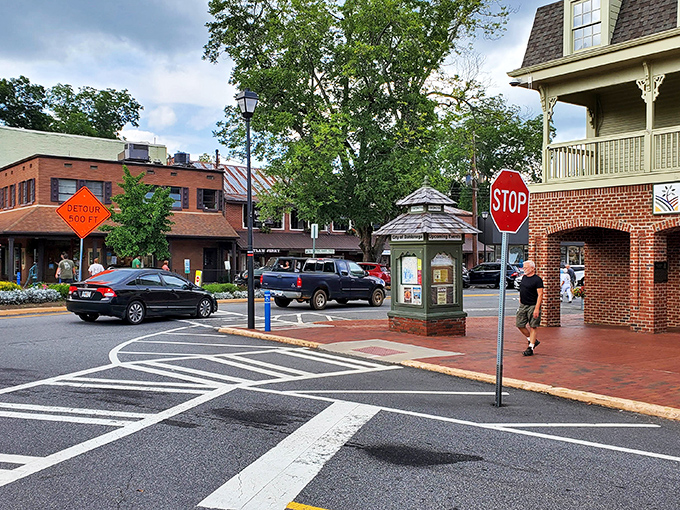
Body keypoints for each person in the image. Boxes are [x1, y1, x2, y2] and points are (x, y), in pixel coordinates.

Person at [516, 260, 544, 356]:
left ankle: (530, 347)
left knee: (533, 325)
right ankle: (532, 339)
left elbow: (540, 295)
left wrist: (537, 308)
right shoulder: (524, 278)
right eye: (523, 267)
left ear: (532, 268)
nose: (524, 269)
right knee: (519, 324)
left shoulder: (537, 280)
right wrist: (520, 298)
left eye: (526, 267)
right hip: (523, 305)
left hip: (533, 305)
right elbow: (522, 289)